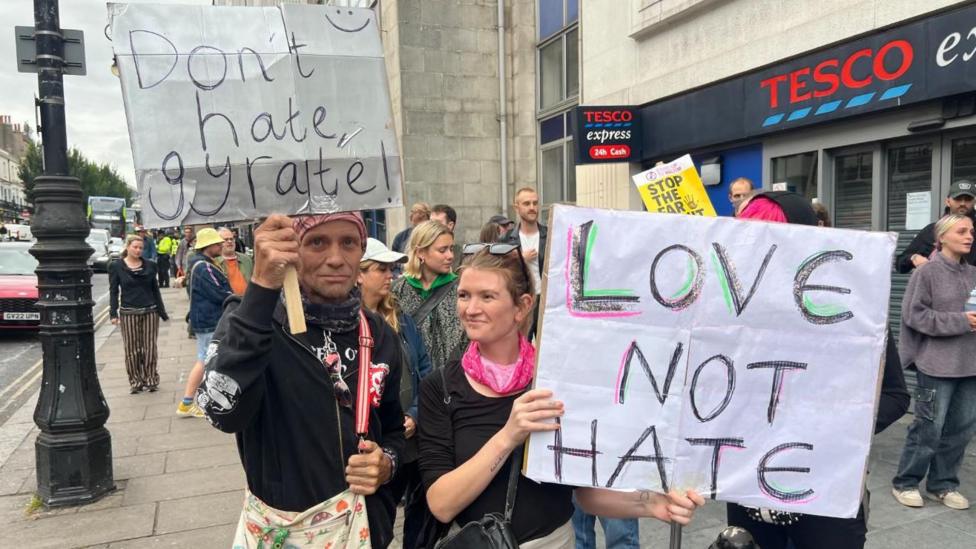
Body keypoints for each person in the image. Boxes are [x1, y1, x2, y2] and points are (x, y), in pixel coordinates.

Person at [418, 245, 704, 547]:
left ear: (522, 306)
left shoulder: (557, 381)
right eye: (464, 295)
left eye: (487, 296)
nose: (470, 308)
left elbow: (585, 492)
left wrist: (651, 504)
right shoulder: (440, 388)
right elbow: (441, 504)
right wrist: (508, 436)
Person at [196, 213, 405, 549]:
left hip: (363, 529)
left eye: (348, 243)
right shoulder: (250, 318)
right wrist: (262, 287)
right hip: (283, 533)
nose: (335, 258)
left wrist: (386, 463)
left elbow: (395, 429)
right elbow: (222, 412)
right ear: (292, 250)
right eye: (317, 242)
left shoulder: (378, 334)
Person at [727, 191, 911, 549]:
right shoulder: (730, 313)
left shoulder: (856, 313)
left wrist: (832, 427)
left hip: (827, 494)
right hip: (748, 491)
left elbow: (895, 396)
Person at [891, 213, 976, 512]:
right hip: (936, 364)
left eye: (971, 231)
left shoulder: (974, 273)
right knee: (928, 428)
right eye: (962, 231)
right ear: (942, 238)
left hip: (971, 365)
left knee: (961, 431)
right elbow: (915, 316)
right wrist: (961, 321)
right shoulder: (925, 273)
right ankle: (906, 481)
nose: (969, 236)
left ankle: (943, 484)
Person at [359, 237, 433, 549]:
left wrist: (415, 414)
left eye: (392, 269)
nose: (391, 275)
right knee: (377, 525)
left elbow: (425, 368)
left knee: (417, 522)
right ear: (359, 273)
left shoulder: (400, 318)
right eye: (382, 269)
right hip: (370, 448)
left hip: (408, 443)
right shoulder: (346, 327)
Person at [392, 221, 466, 371]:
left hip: (454, 381)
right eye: (442, 250)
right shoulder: (397, 291)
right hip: (413, 382)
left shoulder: (462, 290)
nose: (450, 256)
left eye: (451, 249)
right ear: (420, 253)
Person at [176, 228, 232, 418]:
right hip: (209, 320)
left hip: (206, 319)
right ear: (208, 246)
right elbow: (219, 293)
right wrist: (237, 299)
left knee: (207, 359)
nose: (221, 246)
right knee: (205, 360)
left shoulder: (203, 264)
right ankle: (187, 402)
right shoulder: (204, 267)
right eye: (217, 244)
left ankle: (196, 400)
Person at [109, 234, 169, 393]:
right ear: (127, 247)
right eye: (135, 247)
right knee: (132, 349)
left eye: (141, 248)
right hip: (128, 312)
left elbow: (155, 289)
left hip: (150, 311)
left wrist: (162, 312)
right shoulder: (116, 266)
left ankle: (151, 380)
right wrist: (113, 313)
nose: (138, 250)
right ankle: (135, 382)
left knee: (149, 348)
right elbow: (113, 291)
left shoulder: (150, 265)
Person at [895, 180, 976, 273]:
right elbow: (900, 264)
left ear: (974, 202)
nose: (963, 203)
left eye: (968, 199)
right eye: (958, 198)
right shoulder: (932, 230)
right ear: (948, 201)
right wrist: (914, 258)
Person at [512, 187, 547, 338]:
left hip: (545, 301)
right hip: (521, 300)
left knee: (546, 347)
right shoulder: (507, 240)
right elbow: (500, 271)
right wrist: (519, 258)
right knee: (521, 346)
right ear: (517, 207)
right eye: (526, 203)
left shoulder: (551, 234)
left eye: (535, 203)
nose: (532, 208)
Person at [217, 227, 253, 296]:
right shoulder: (214, 262)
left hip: (248, 301)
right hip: (228, 303)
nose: (230, 241)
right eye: (226, 240)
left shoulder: (246, 259)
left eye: (231, 239)